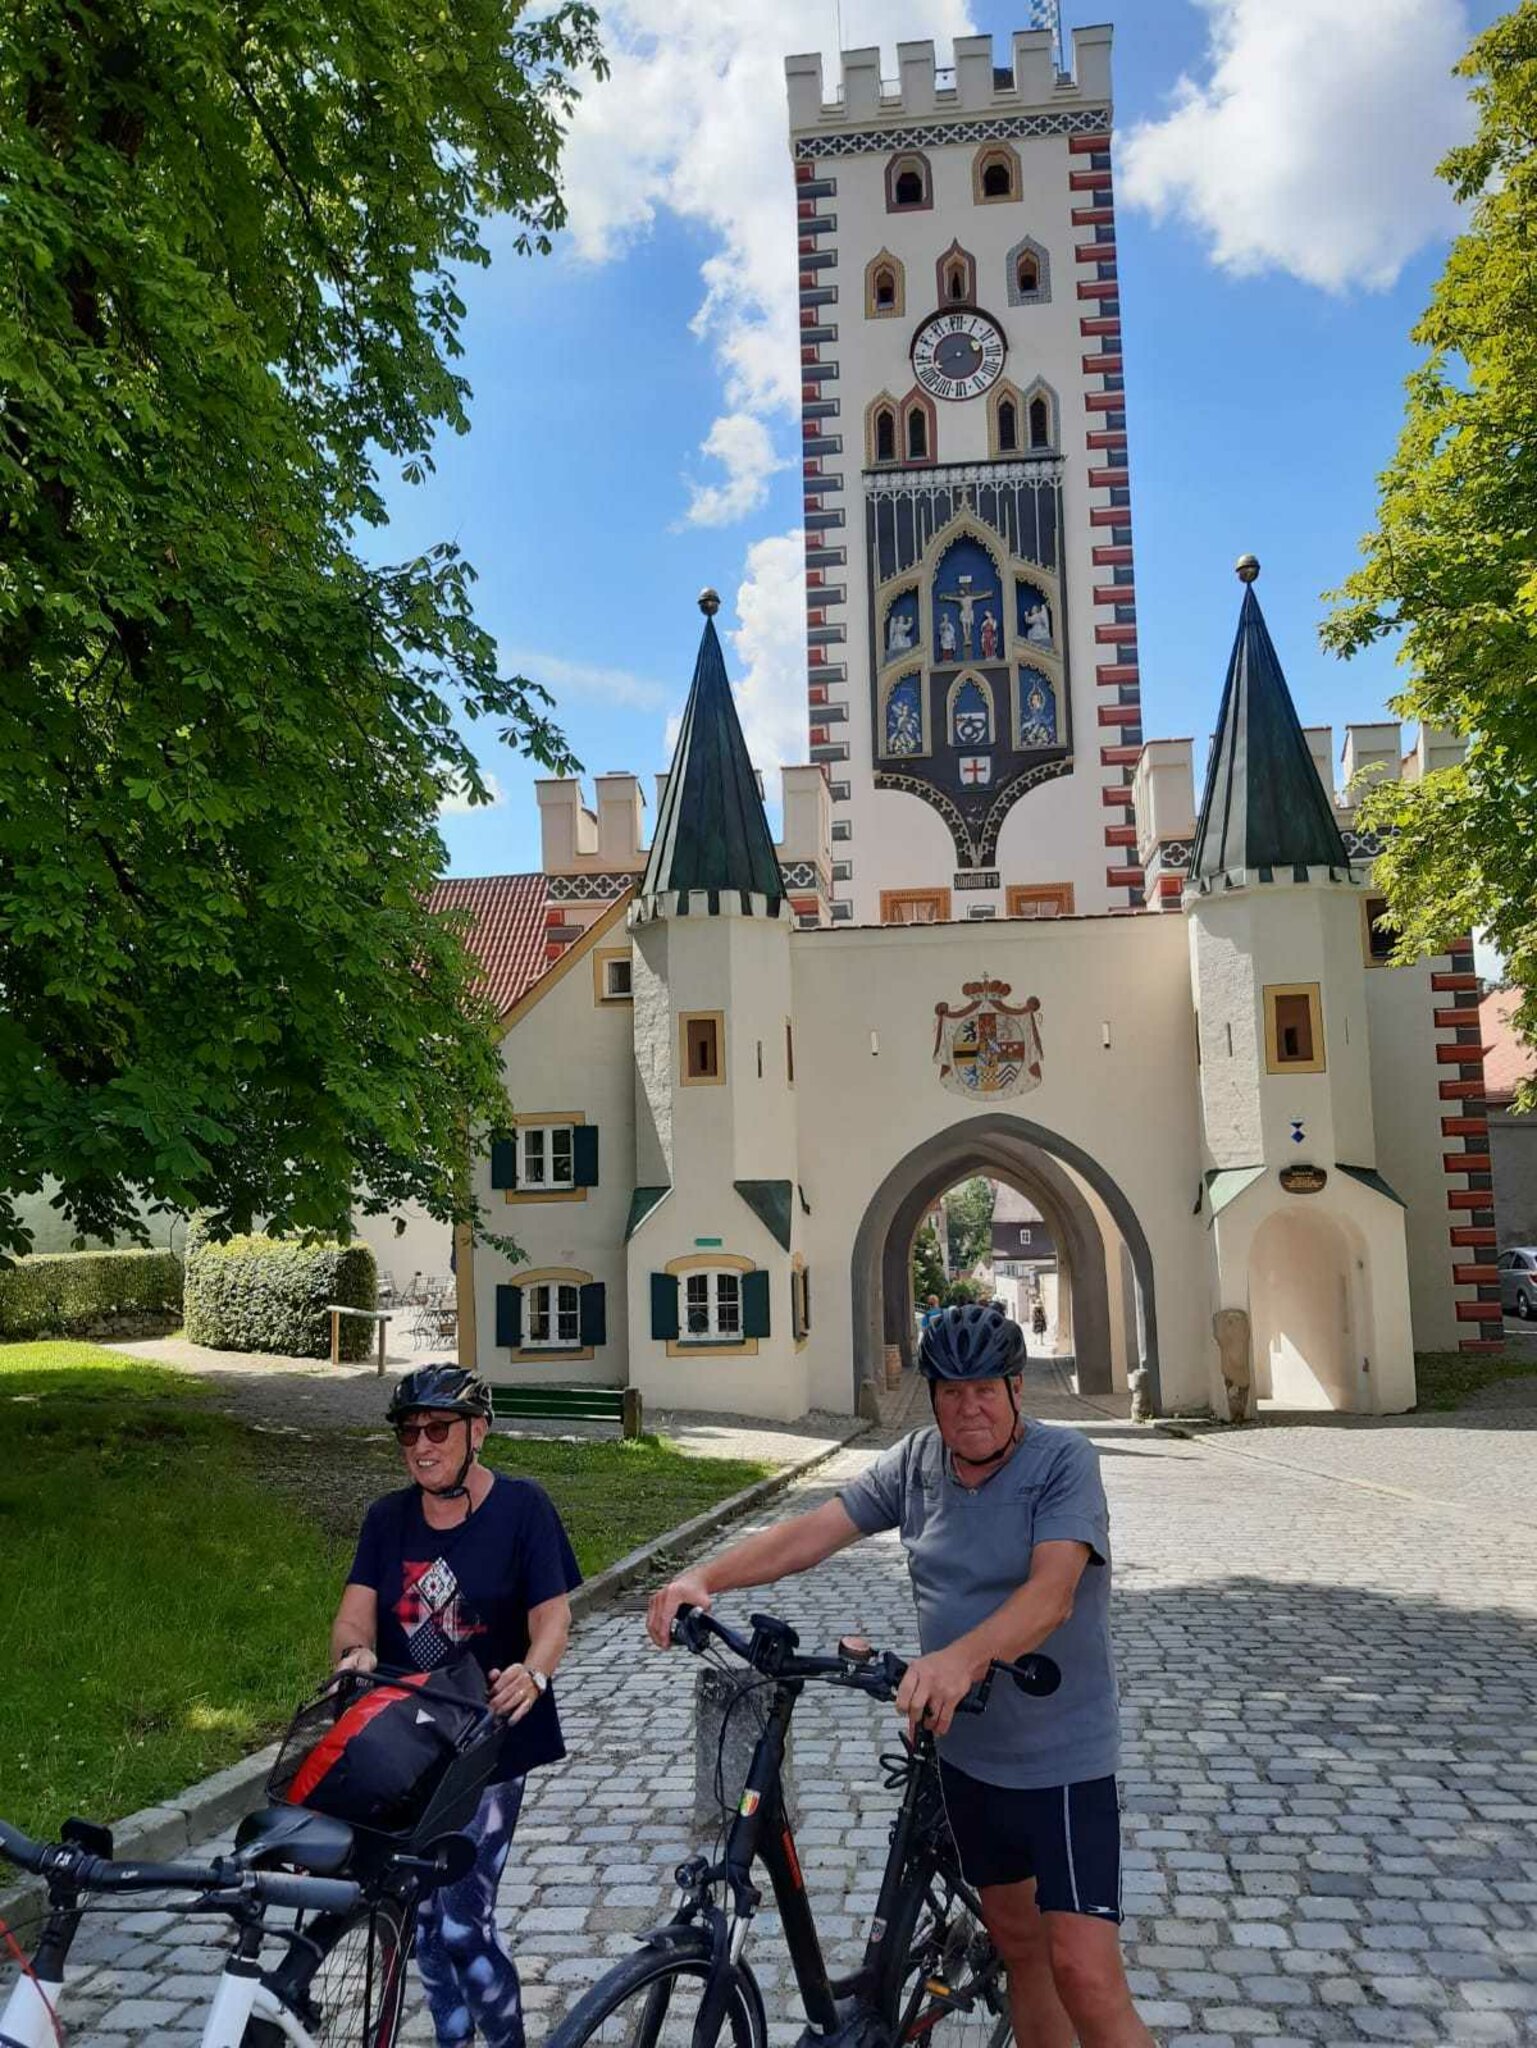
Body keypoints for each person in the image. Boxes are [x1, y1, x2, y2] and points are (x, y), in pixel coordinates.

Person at [647, 1306, 1153, 2048]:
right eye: (951, 1391)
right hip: (966, 1757)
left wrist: (958, 1658)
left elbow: (1052, 1593)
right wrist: (705, 1576)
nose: (968, 1407)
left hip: (1061, 1762)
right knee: (1021, 1953)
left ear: (1017, 1389)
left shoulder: (1062, 1462)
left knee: (1083, 1971)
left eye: (985, 1389)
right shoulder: (916, 1463)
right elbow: (815, 1532)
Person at [330, 1364, 581, 2048]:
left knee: (463, 1923)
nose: (421, 1445)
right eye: (408, 1432)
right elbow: (355, 1618)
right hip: (408, 1746)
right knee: (420, 1922)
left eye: (437, 1429)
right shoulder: (387, 1519)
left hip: (489, 1747)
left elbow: (553, 1618)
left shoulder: (523, 1508)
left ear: (478, 1432)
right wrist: (353, 1657)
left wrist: (533, 1672)